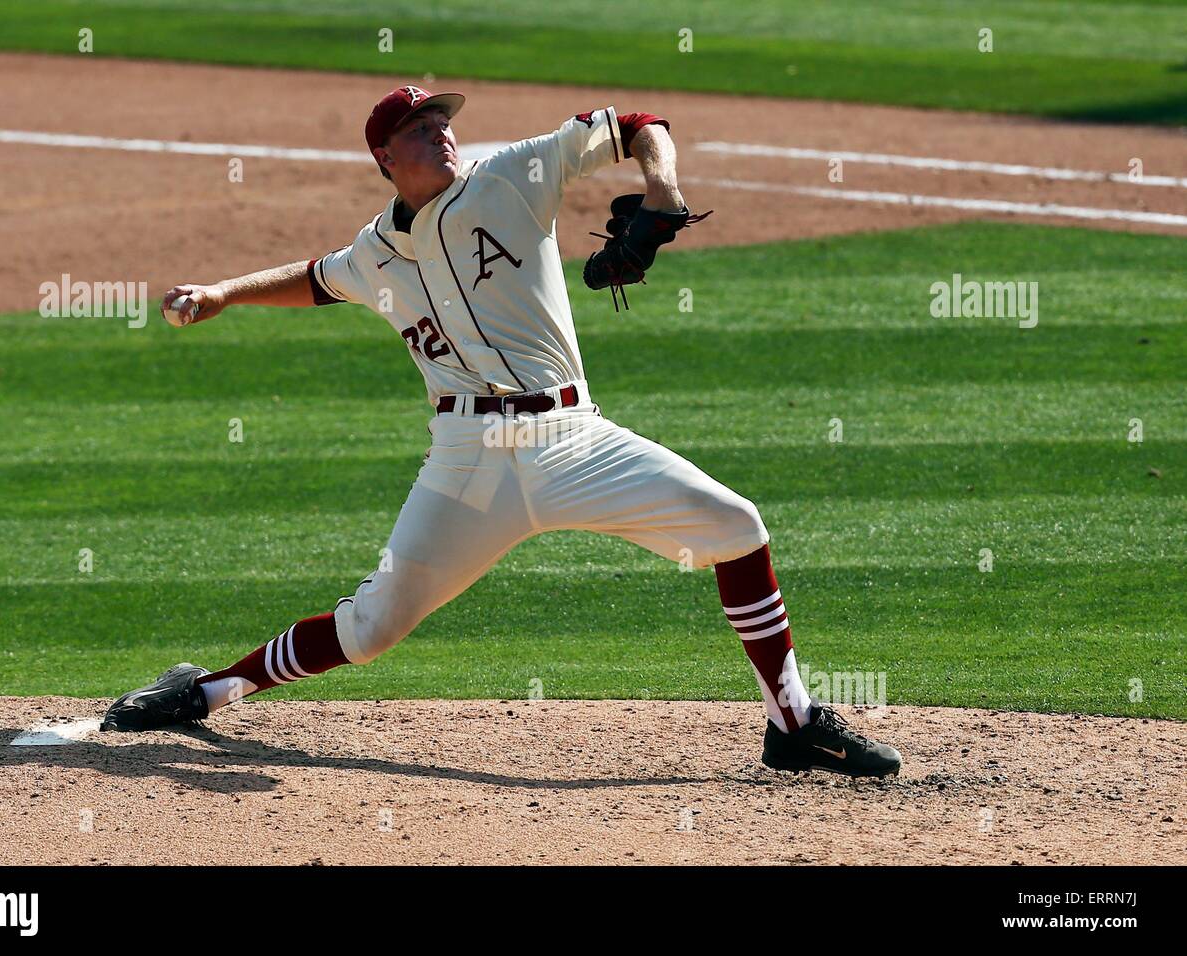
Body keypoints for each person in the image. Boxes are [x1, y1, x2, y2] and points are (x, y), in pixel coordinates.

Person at [103, 85, 901, 777]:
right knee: (373, 627)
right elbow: (316, 280)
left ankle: (793, 724)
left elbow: (639, 122)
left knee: (736, 527)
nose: (440, 131)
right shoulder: (375, 254)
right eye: (419, 128)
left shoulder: (512, 175)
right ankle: (205, 689)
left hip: (572, 440)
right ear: (385, 156)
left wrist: (661, 192)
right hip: (466, 466)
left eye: (441, 120)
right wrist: (221, 293)